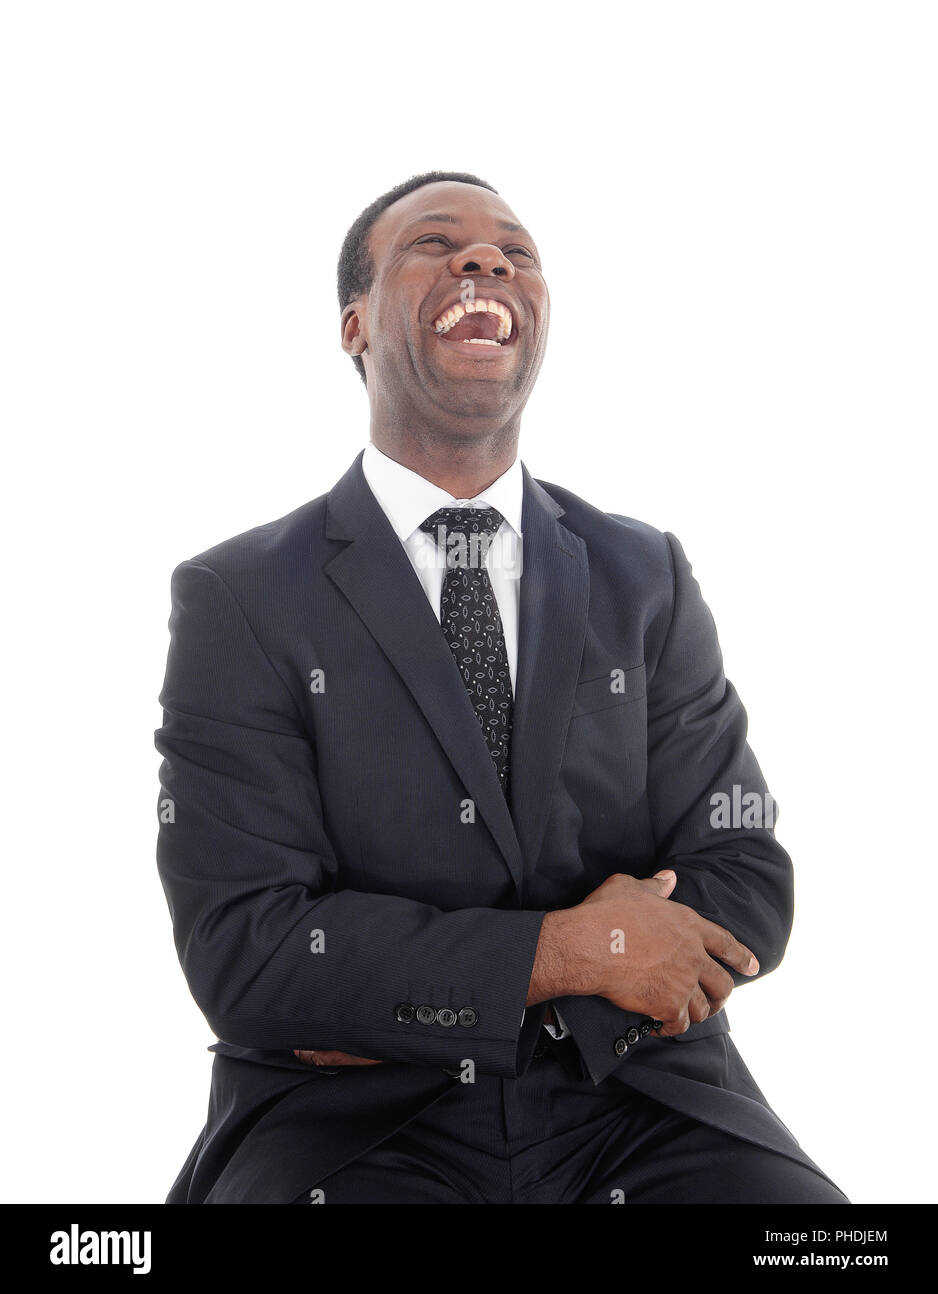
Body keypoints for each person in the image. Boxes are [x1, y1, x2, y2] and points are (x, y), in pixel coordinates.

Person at [155, 171, 849, 1204]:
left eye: (515, 253)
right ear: (352, 325)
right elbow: (248, 954)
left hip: (636, 1099)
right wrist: (576, 948)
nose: (485, 262)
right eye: (435, 245)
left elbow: (744, 872)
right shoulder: (241, 597)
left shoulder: (639, 572)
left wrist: (543, 994)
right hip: (355, 1126)